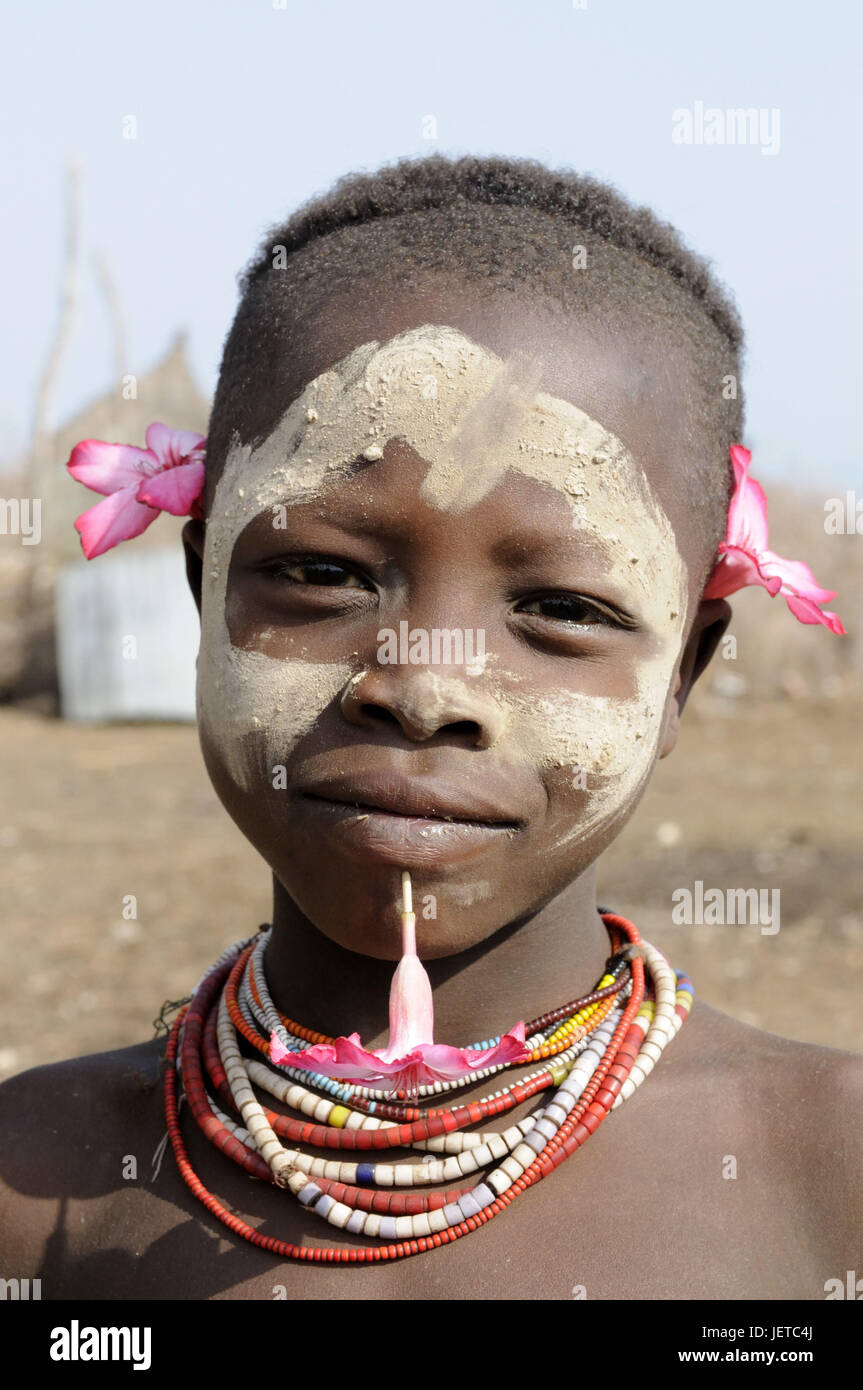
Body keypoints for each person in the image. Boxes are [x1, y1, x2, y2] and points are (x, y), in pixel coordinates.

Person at [0, 154, 858, 1301]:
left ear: (681, 676)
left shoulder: (825, 1173)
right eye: (319, 573)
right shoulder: (32, 1183)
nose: (422, 684)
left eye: (560, 609)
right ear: (205, 590)